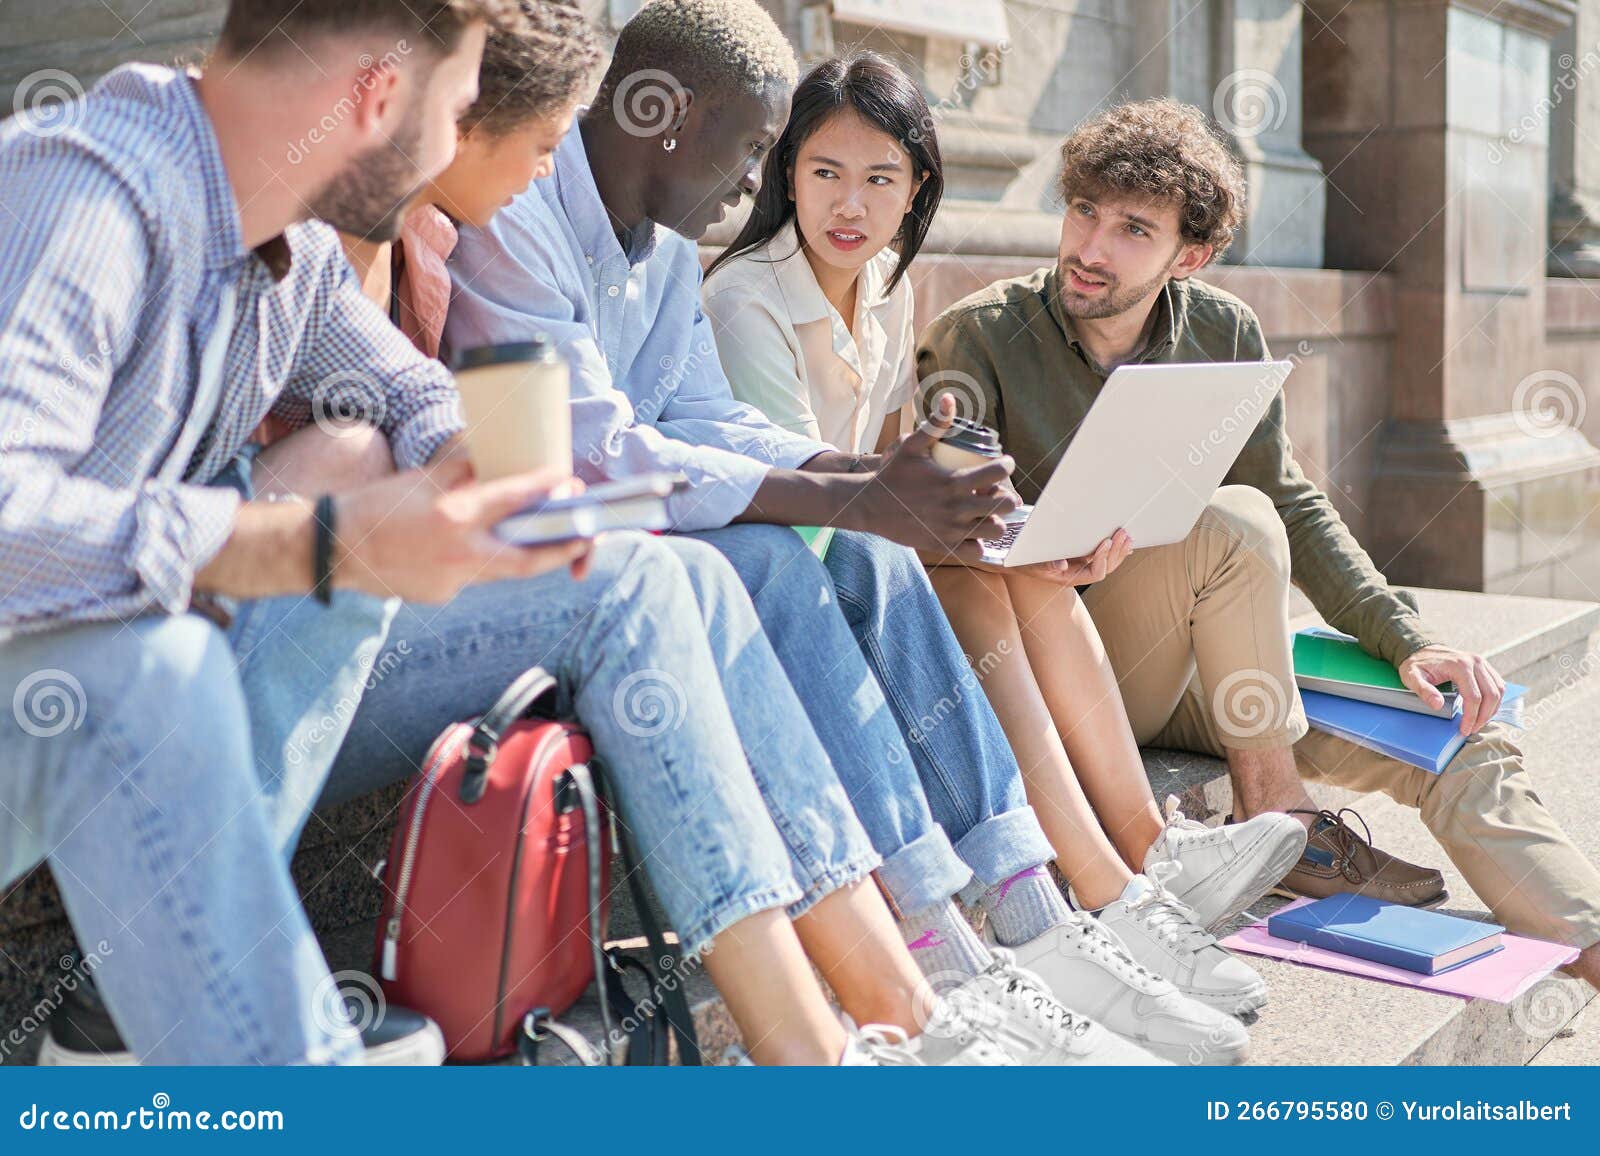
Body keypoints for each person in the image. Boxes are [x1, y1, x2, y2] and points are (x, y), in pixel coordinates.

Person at [309, 1, 1141, 1067]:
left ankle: (984, 917)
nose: (759, 186)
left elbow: (695, 421)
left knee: (841, 553)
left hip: (535, 551)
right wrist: (848, 496)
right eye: (758, 151)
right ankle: (898, 985)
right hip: (473, 587)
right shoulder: (499, 217)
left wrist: (875, 480)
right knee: (728, 568)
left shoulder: (656, 245)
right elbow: (591, 450)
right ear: (667, 116)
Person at [0, 0, 582, 1065]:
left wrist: (472, 470)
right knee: (152, 661)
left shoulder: (286, 247)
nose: (451, 149)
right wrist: (314, 545)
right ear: (376, 97)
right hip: (57, 695)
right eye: (455, 111)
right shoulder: (86, 189)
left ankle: (170, 1013)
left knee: (360, 459)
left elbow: (409, 393)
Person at [917, 97, 1600, 992]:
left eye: (1132, 228)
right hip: (1064, 675)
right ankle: (1277, 807)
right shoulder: (980, 334)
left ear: (1188, 255)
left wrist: (1407, 638)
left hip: (1212, 673)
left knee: (1458, 730)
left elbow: (1294, 500)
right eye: (1084, 210)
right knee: (1231, 523)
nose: (1090, 246)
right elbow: (934, 534)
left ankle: (1587, 946)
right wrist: (1036, 550)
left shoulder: (1220, 329)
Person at [702, 50, 1306, 1019]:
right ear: (784, 176)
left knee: (1019, 566)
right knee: (985, 569)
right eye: (822, 172)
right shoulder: (748, 299)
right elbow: (804, 502)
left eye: (879, 178)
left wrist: (1007, 527)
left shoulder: (886, 290)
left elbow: (896, 468)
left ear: (916, 191)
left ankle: (1145, 861)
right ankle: (1118, 884)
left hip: (866, 559)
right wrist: (967, 528)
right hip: (790, 584)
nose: (847, 204)